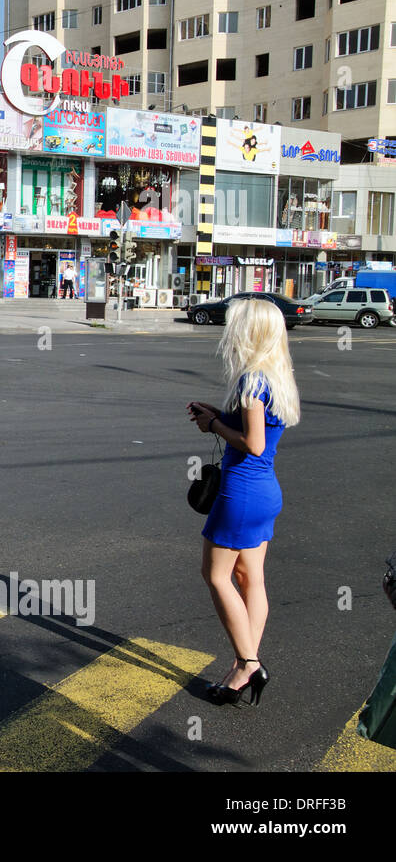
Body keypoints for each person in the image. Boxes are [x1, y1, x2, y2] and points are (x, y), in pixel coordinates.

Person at [188, 298, 300, 708]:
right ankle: (244, 665)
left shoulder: (251, 379)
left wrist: (213, 424)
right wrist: (218, 414)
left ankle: (247, 662)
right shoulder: (276, 375)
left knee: (216, 575)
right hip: (265, 491)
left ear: (248, 332)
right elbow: (261, 433)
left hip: (241, 490)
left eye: (234, 325)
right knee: (251, 577)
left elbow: (251, 444)